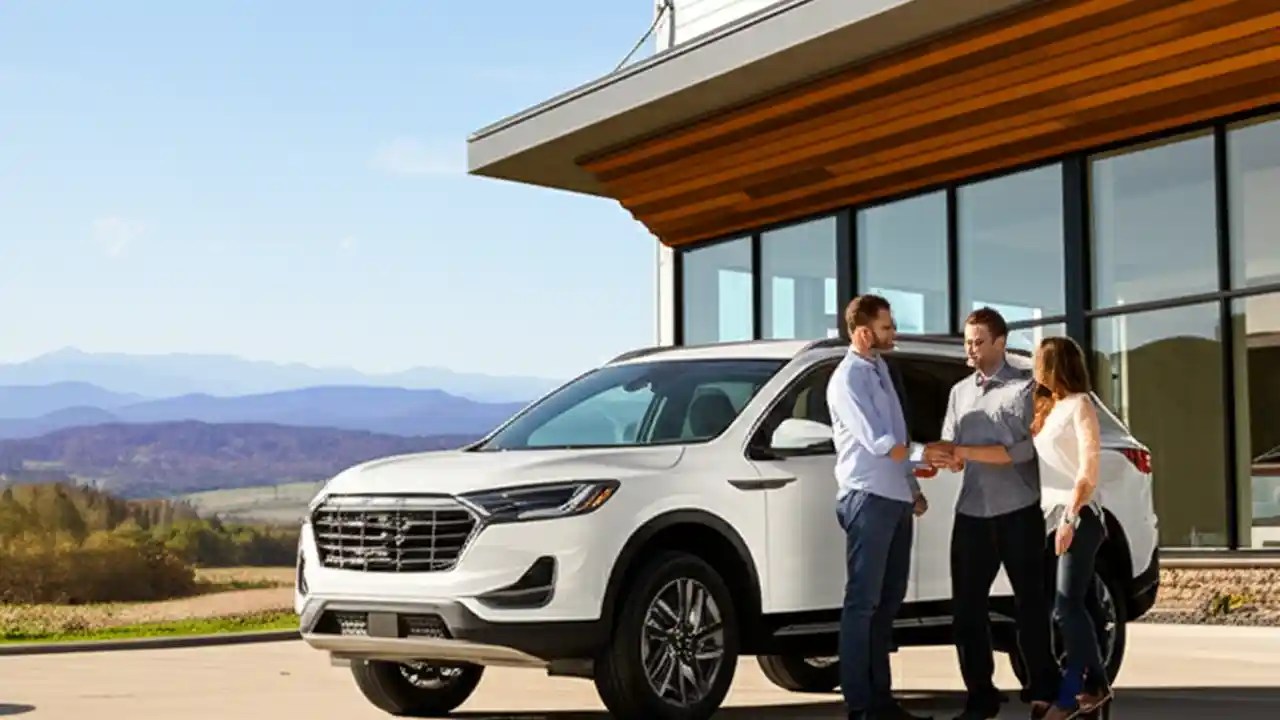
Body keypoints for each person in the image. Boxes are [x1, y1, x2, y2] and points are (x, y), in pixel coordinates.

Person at [922, 308, 1059, 720]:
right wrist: (939, 458)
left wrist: (962, 452)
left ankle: (1043, 691)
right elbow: (953, 447)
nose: (971, 349)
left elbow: (1021, 453)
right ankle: (980, 695)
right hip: (972, 513)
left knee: (1031, 606)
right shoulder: (959, 393)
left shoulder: (1026, 389)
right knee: (965, 609)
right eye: (967, 342)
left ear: (1000, 342)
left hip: (1019, 512)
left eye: (978, 342)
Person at [827, 294, 930, 720]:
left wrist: (912, 487)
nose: (894, 333)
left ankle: (882, 701)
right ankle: (861, 704)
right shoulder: (847, 378)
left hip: (895, 500)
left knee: (888, 604)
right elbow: (879, 441)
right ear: (863, 332)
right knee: (862, 603)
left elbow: (896, 430)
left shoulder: (882, 369)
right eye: (887, 327)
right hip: (867, 499)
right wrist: (929, 454)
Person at [1028, 336, 1113, 719]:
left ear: (1052, 365)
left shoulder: (1081, 405)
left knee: (1067, 607)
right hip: (1051, 519)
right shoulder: (1049, 409)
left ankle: (1093, 686)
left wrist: (1070, 518)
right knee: (1072, 609)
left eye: (1037, 361)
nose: (1033, 368)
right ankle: (1074, 694)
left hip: (1079, 517)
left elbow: (1087, 470)